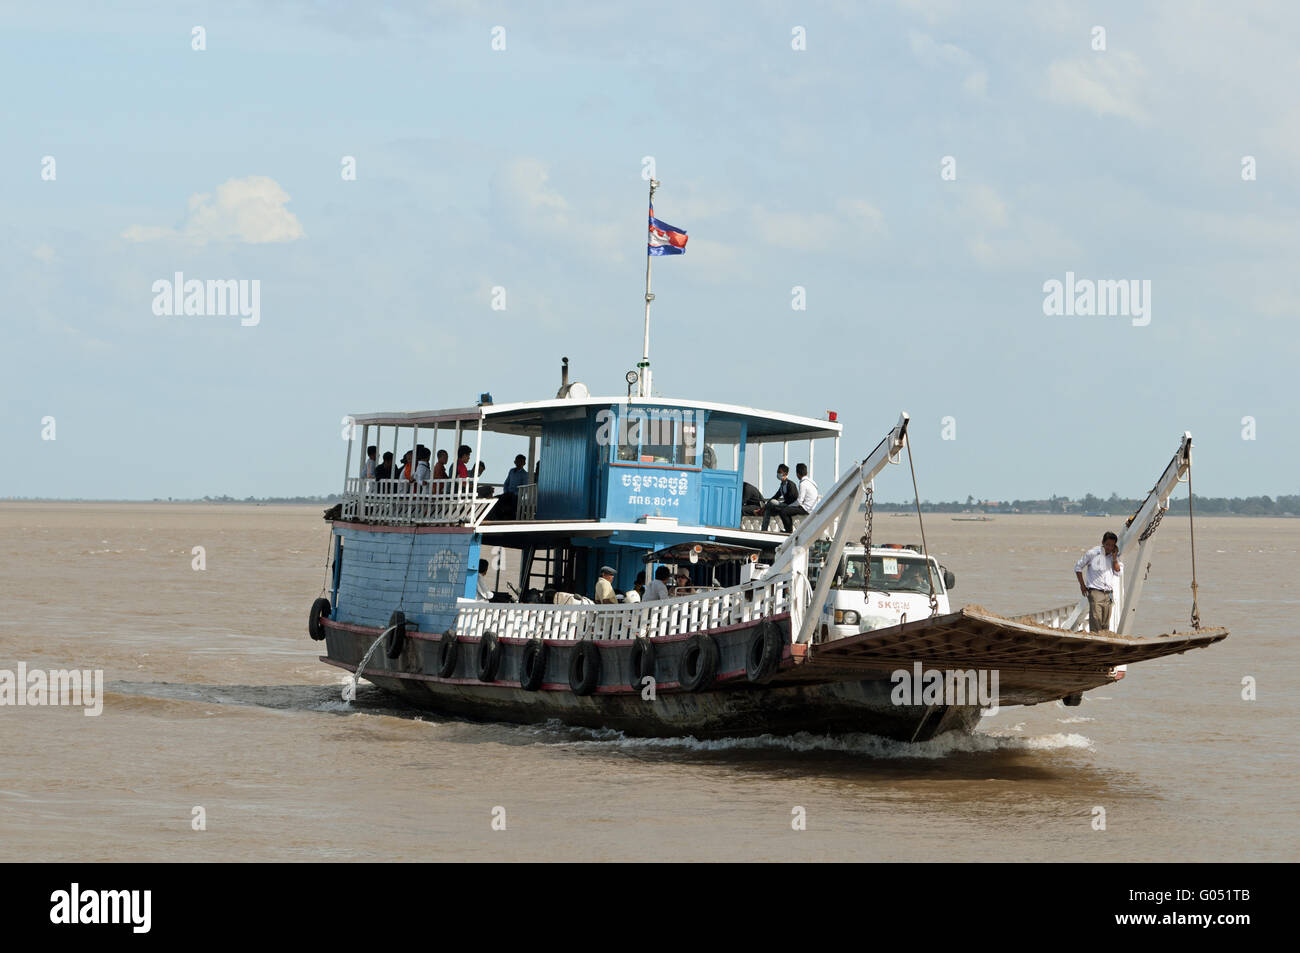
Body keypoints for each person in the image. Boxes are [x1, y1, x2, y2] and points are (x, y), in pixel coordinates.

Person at [1075, 531, 1123, 632]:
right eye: (1107, 545)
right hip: (1095, 591)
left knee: (1105, 622)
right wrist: (1082, 586)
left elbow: (1118, 572)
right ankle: (1096, 638)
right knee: (1096, 619)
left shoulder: (1114, 556)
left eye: (1112, 545)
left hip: (1109, 593)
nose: (1109, 548)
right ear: (1103, 542)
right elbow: (1078, 567)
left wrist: (1114, 559)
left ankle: (1104, 642)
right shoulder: (1092, 553)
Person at [759, 465, 799, 531]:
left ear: (785, 474)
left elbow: (794, 498)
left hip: (790, 506)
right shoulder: (782, 485)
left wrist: (782, 504)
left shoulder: (790, 484)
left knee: (772, 502)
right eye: (777, 472)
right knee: (768, 510)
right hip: (784, 505)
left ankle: (763, 509)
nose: (778, 473)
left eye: (779, 472)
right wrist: (766, 504)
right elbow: (776, 496)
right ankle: (764, 529)